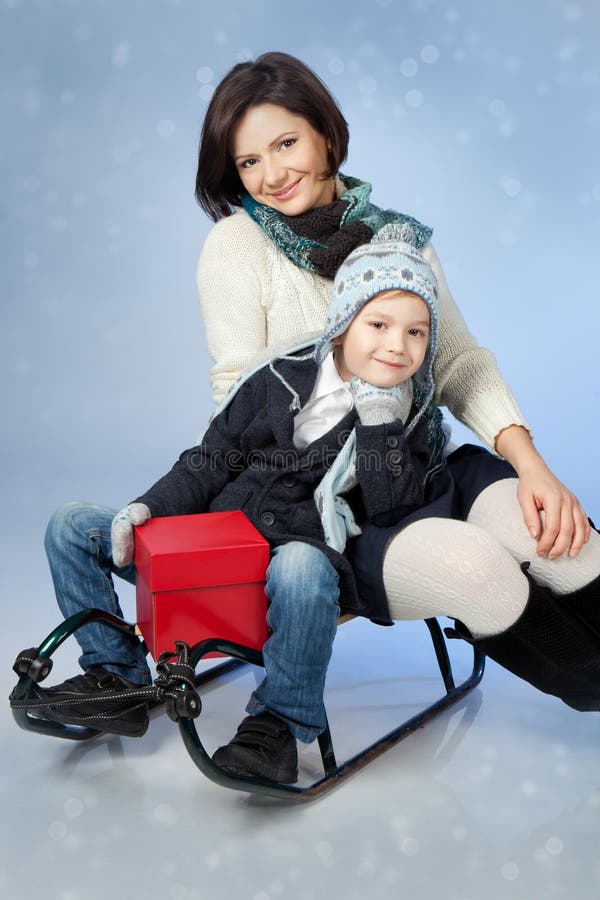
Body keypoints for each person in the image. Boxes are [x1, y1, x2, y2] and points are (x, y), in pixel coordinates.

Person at [30, 51, 600, 753]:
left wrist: (532, 464)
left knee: (564, 545)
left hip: (432, 466)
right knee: (479, 570)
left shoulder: (401, 239)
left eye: (285, 143)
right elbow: (238, 394)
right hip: (342, 508)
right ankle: (593, 684)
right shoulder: (237, 246)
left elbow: (455, 359)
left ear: (325, 132)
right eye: (247, 163)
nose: (271, 174)